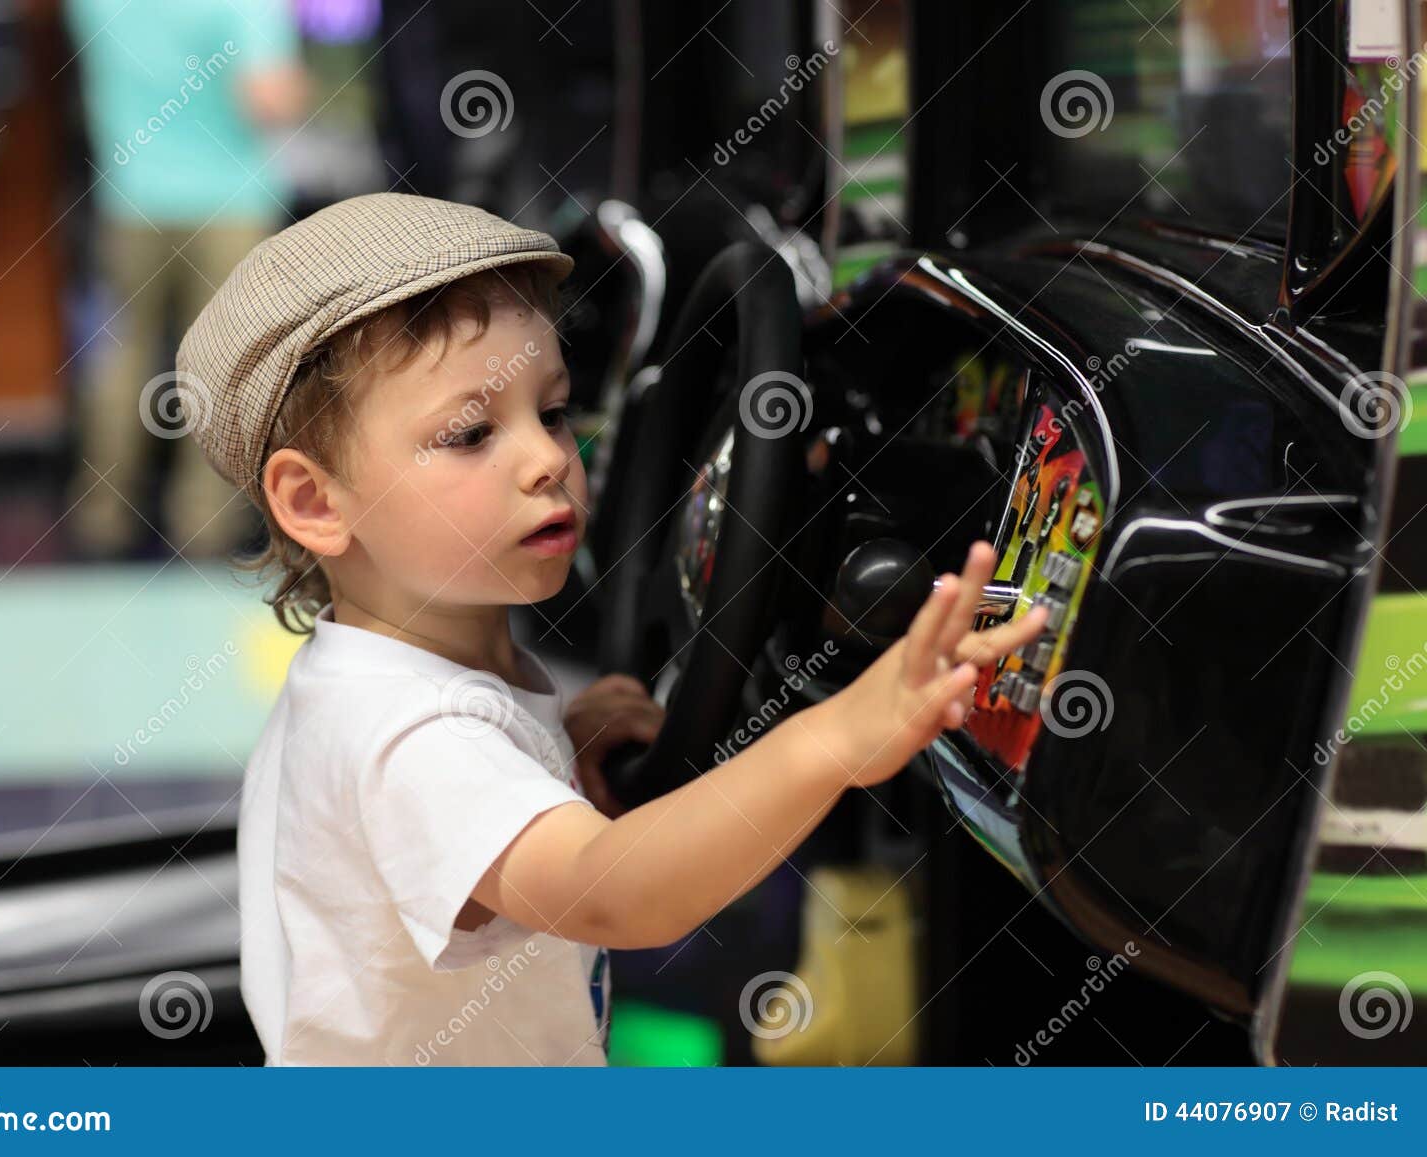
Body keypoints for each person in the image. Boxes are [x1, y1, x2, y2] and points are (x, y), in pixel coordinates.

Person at [175, 193, 1050, 1065]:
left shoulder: (385, 683)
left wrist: (554, 744)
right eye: (471, 432)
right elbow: (618, 895)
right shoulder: (412, 740)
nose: (549, 457)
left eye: (551, 411)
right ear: (315, 502)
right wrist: (841, 735)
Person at [64, 0, 308, 559]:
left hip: (130, 197)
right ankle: (205, 526)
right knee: (226, 363)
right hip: (231, 202)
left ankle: (103, 519)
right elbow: (269, 98)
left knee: (121, 355)